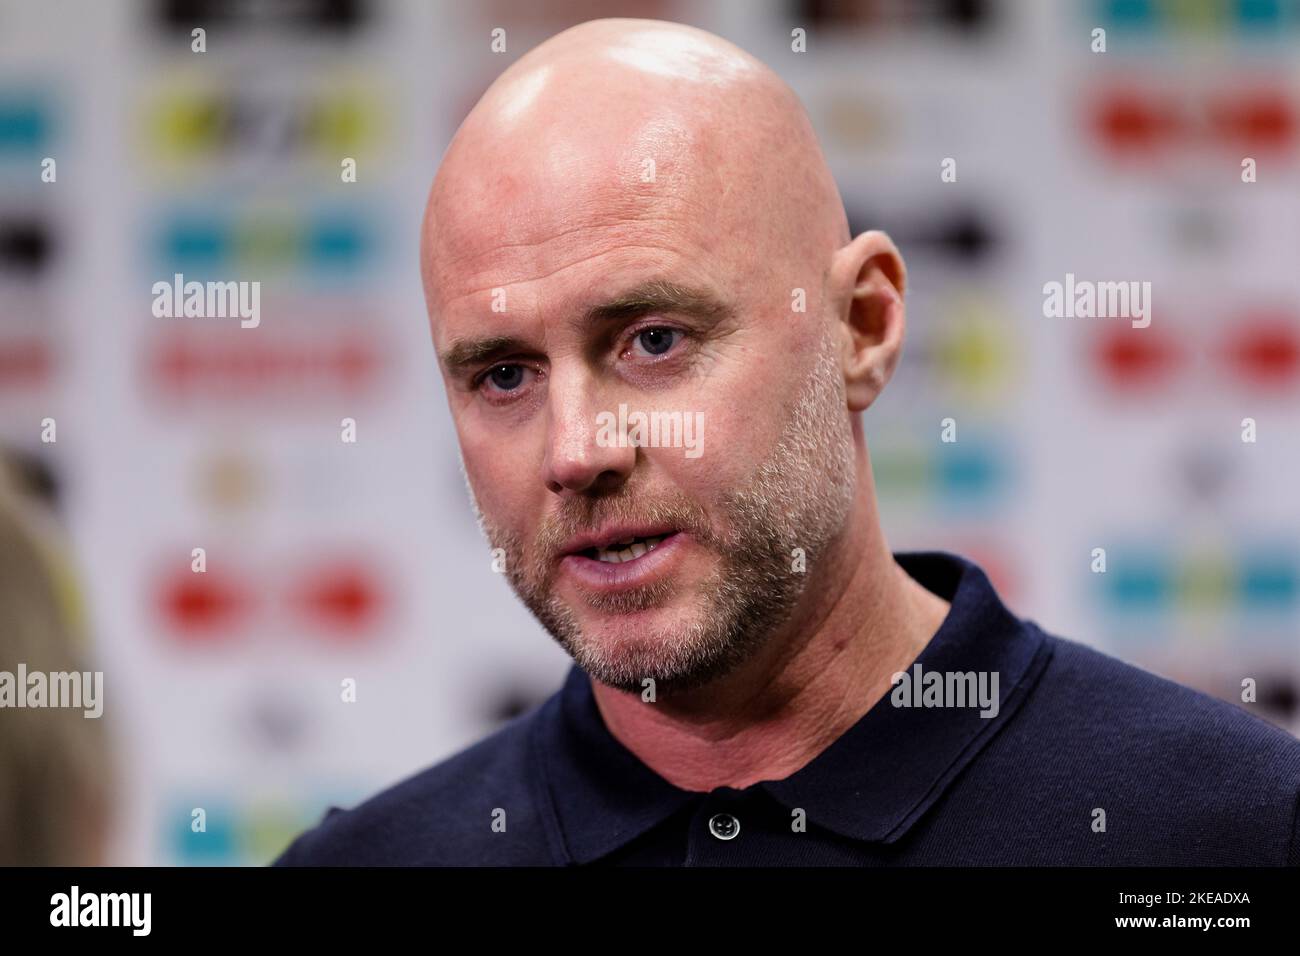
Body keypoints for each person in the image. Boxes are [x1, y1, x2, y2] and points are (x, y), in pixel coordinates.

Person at [275, 18, 1300, 866]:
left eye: (654, 340)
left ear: (861, 326)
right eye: (504, 374)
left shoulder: (1231, 835)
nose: (576, 448)